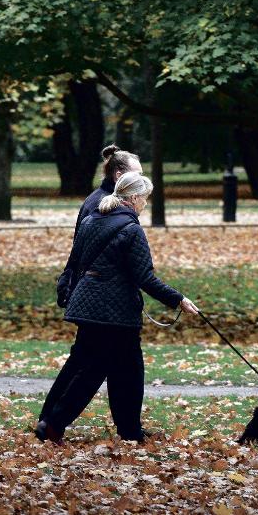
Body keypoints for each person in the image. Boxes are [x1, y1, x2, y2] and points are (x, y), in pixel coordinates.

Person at [36, 172, 198, 444]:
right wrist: (178, 299)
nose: (145, 204)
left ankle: (129, 430)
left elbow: (77, 262)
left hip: (89, 306)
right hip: (114, 314)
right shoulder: (132, 229)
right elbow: (145, 277)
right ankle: (53, 423)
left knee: (127, 368)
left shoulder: (90, 220)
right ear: (133, 198)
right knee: (94, 372)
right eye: (144, 198)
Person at [40, 144, 142, 423]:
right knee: (88, 365)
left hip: (105, 299)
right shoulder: (102, 203)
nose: (142, 181)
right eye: (138, 174)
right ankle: (51, 421)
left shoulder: (107, 201)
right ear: (120, 175)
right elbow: (84, 253)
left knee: (114, 363)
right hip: (101, 301)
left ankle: (128, 428)